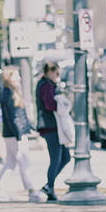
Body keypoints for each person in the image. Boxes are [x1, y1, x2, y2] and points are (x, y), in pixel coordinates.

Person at [0, 66, 44, 203]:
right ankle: (31, 190)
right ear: (9, 78)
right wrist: (19, 135)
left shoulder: (11, 92)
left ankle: (0, 190)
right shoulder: (9, 94)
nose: (19, 78)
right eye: (16, 76)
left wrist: (31, 127)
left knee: (11, 163)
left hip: (13, 134)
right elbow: (13, 118)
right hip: (16, 135)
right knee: (24, 162)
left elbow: (20, 117)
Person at [35, 61, 71, 201]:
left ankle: (48, 186)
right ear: (50, 72)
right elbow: (49, 105)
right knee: (56, 158)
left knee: (65, 157)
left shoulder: (47, 84)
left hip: (53, 126)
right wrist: (61, 103)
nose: (58, 76)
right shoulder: (46, 85)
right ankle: (49, 187)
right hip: (50, 126)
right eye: (56, 73)